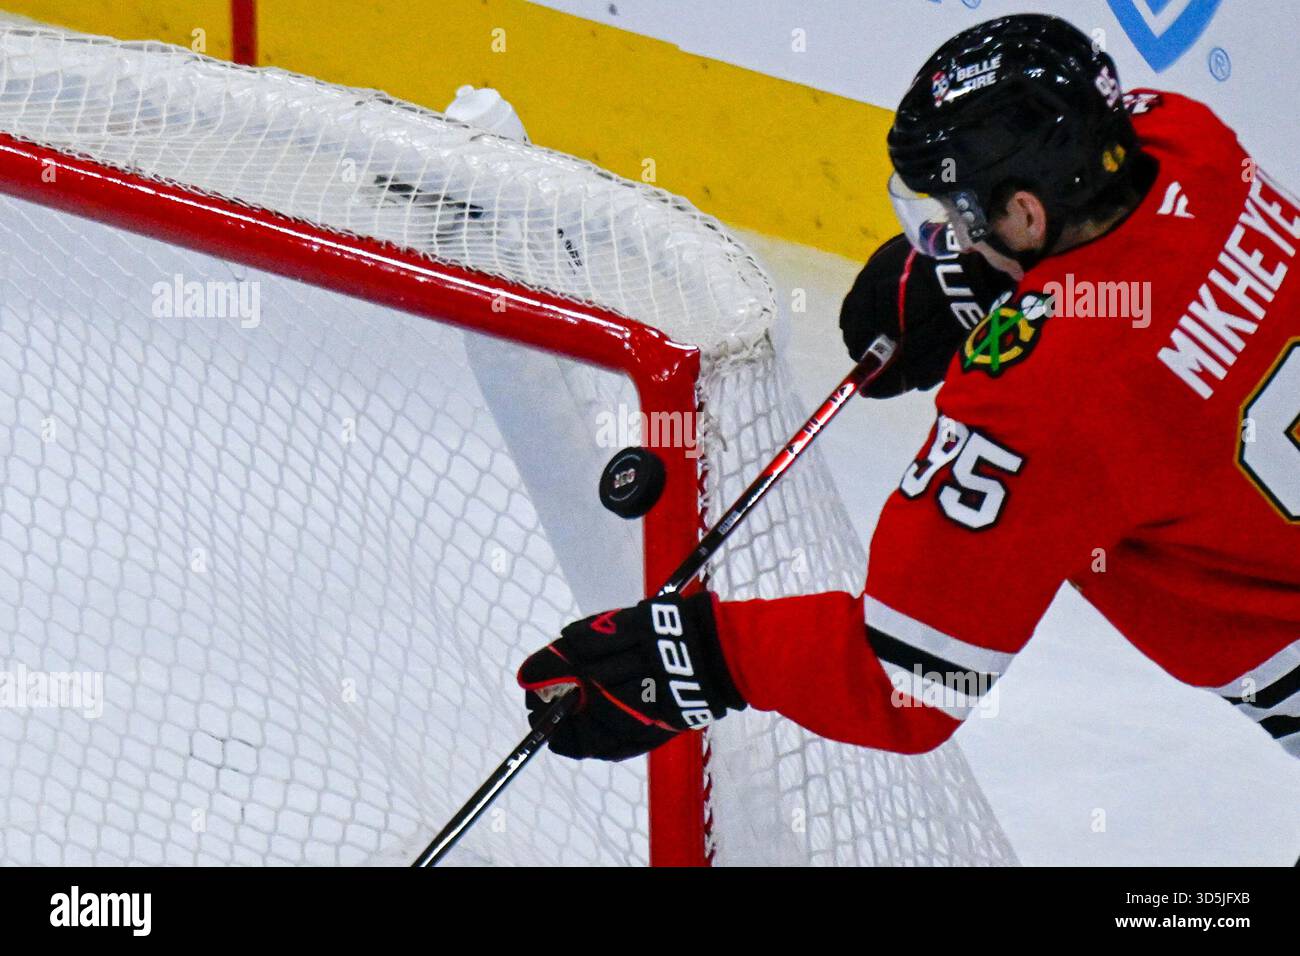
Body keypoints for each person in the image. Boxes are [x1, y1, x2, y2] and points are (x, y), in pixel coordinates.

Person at [517, 14, 1300, 765]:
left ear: (1026, 213)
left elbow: (910, 680)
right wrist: (972, 281)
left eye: (957, 219)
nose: (948, 237)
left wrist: (697, 660)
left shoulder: (1041, 401)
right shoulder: (1188, 141)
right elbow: (1143, 289)